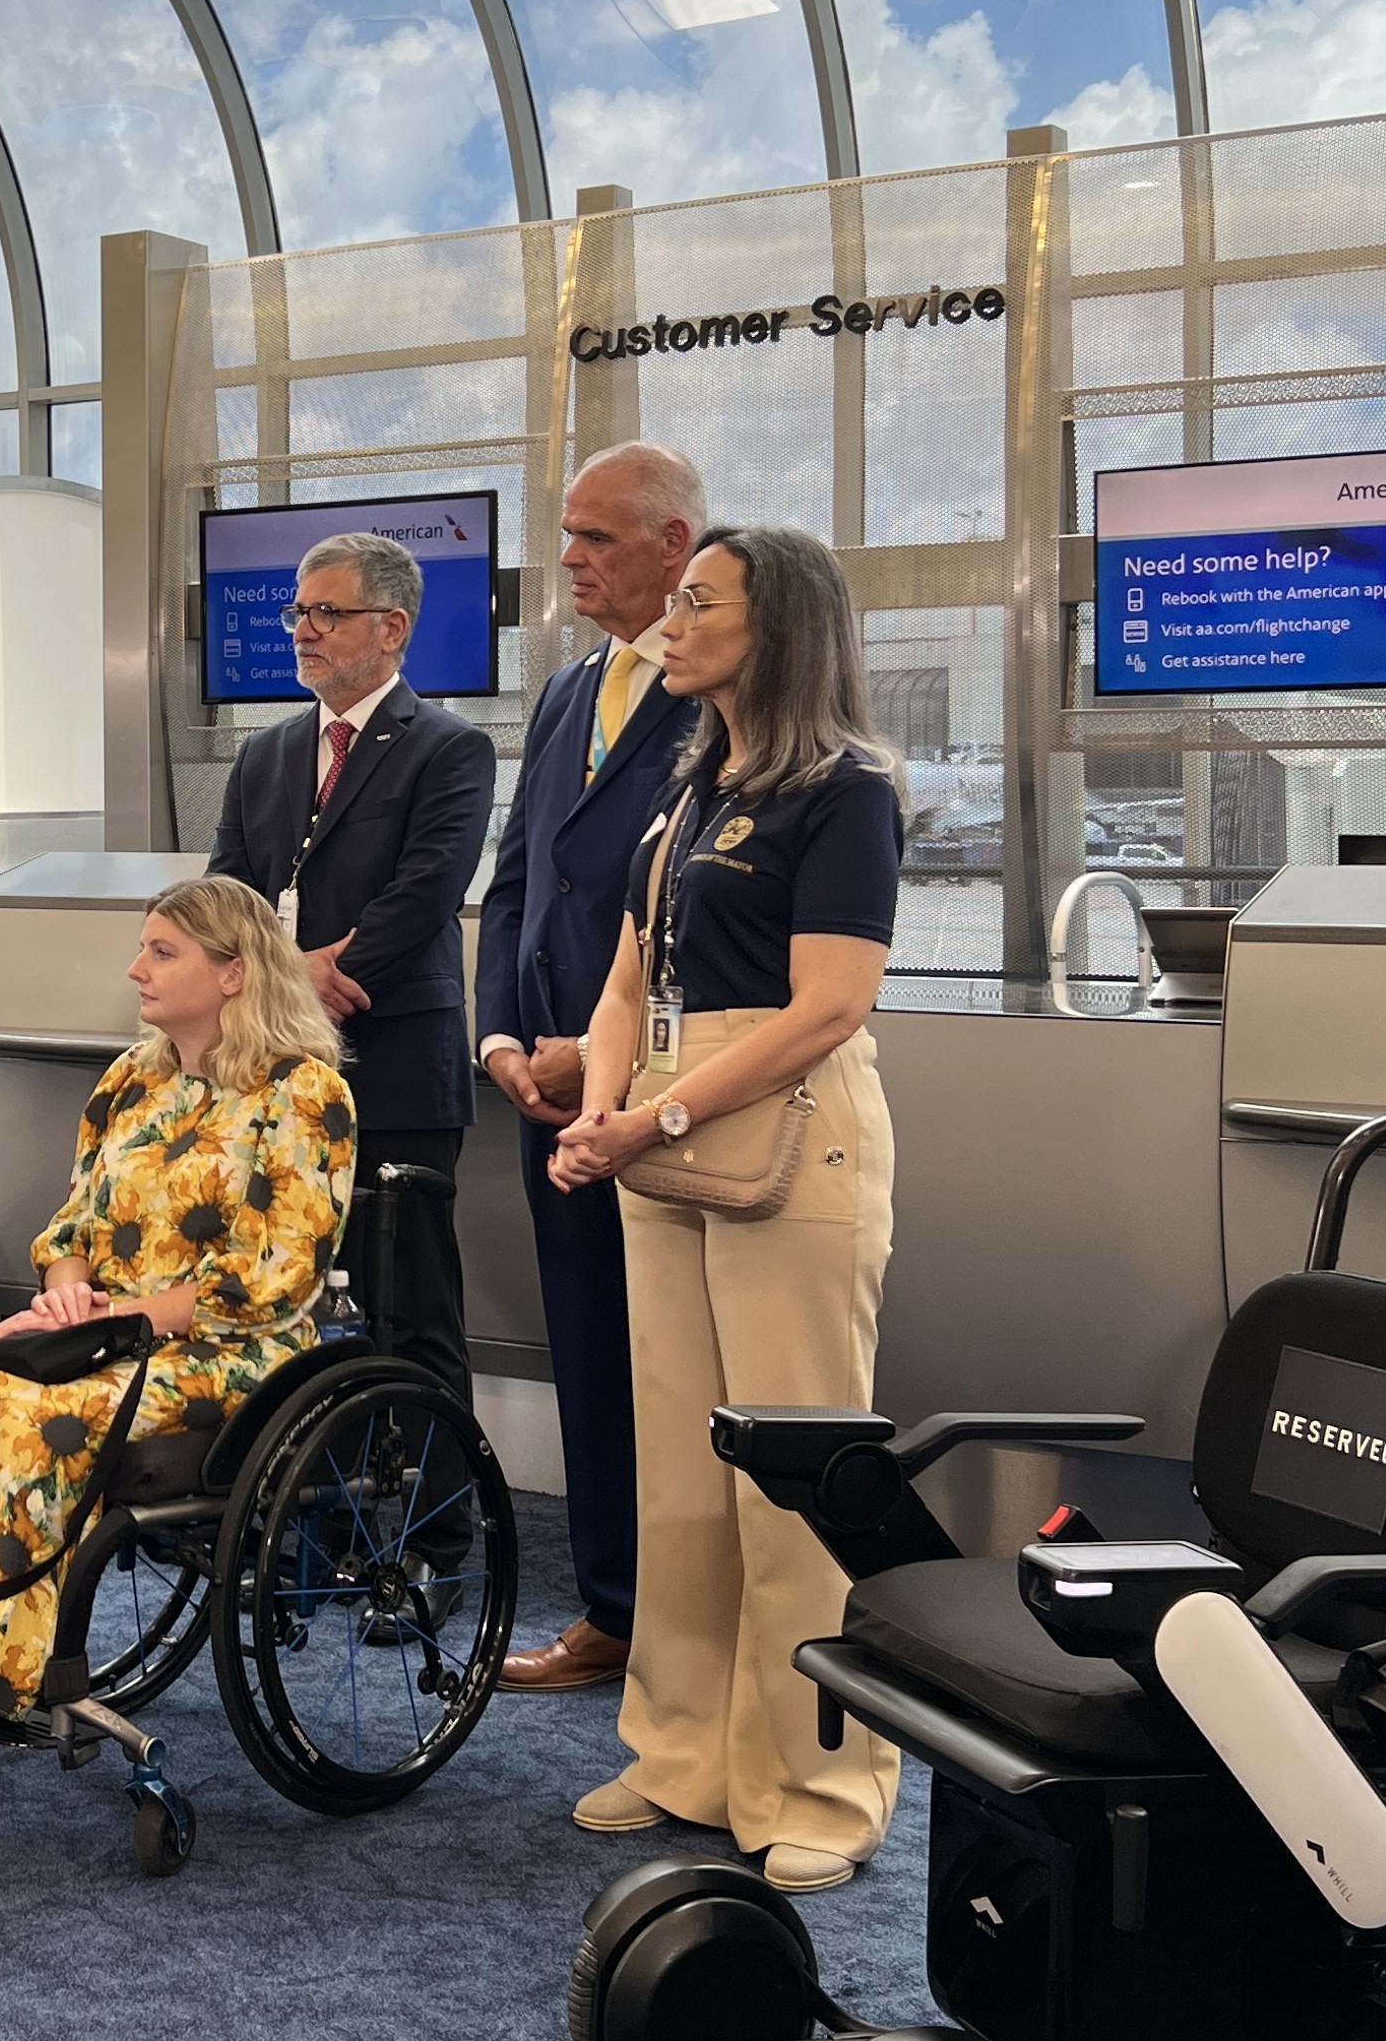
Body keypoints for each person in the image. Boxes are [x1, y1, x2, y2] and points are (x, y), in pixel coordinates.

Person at [546, 524, 908, 1894]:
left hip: (788, 1150)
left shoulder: (847, 790)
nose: (673, 622)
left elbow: (830, 1007)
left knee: (796, 1487)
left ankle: (821, 1781)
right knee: (683, 1476)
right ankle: (685, 1751)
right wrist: (601, 1103)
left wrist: (659, 1115)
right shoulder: (690, 787)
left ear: (781, 628)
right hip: (662, 1147)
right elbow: (626, 980)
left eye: (701, 602)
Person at [0, 876, 356, 1746]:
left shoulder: (304, 1094)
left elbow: (273, 1274)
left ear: (233, 972)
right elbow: (72, 1225)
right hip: (109, 1332)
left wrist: (114, 1317)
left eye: (162, 951)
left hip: (233, 1349)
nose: (135, 968)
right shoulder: (130, 1079)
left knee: (44, 1417)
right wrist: (68, 1290)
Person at [483, 443, 709, 1697]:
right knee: (586, 1349)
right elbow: (521, 875)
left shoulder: (724, 688)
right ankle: (615, 1608)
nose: (566, 558)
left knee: (674, 1368)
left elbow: (719, 916)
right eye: (565, 533)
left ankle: (689, 1623)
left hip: (664, 1096)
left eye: (596, 537)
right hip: (547, 1092)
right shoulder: (570, 690)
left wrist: (607, 1055)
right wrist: (503, 1040)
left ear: (675, 547)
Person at [204, 528, 493, 1455]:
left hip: (395, 1067)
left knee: (410, 1305)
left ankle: (442, 1511)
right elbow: (227, 896)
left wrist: (310, 978)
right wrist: (287, 980)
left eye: (328, 612)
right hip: (276, 1072)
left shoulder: (449, 748)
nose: (303, 628)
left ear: (391, 628)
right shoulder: (265, 754)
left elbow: (424, 895)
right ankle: (327, 1501)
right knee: (292, 1298)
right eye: (299, 611)